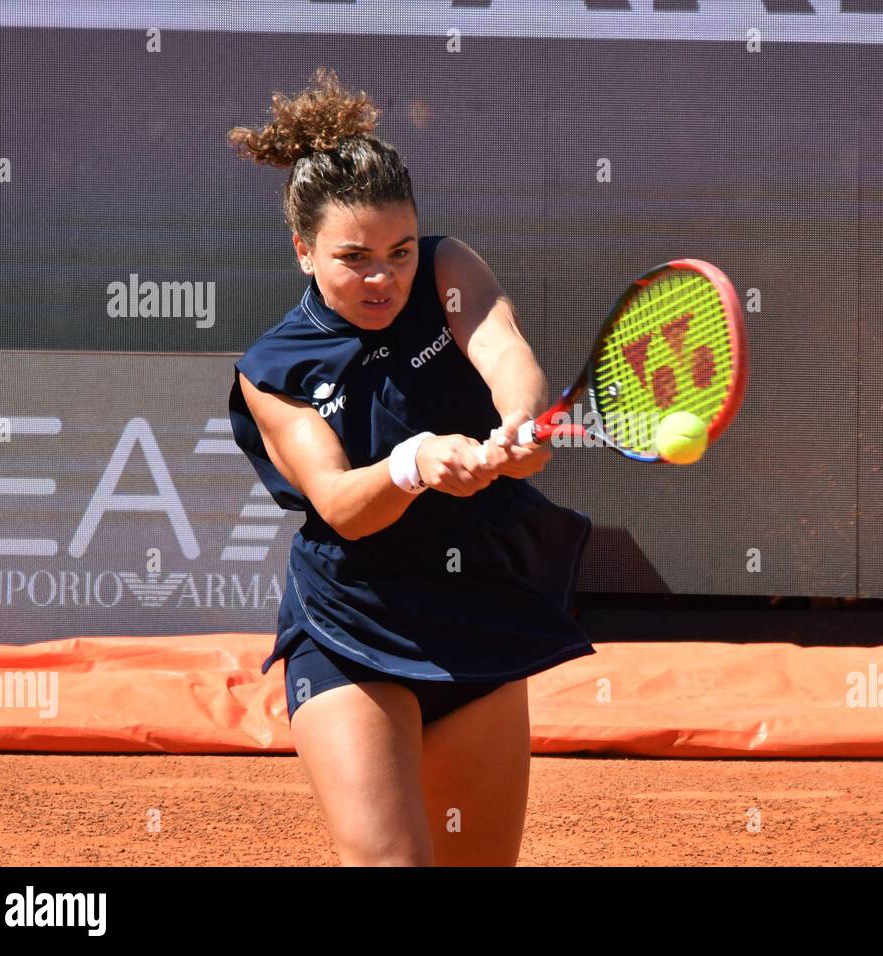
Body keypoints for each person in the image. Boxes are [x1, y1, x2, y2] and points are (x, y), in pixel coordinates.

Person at [225, 69, 595, 866]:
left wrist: (519, 424)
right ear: (302, 250)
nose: (383, 277)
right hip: (351, 626)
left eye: (397, 250)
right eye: (353, 257)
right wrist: (414, 462)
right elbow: (337, 502)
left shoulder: (447, 270)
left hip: (477, 610)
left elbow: (506, 355)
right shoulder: (274, 369)